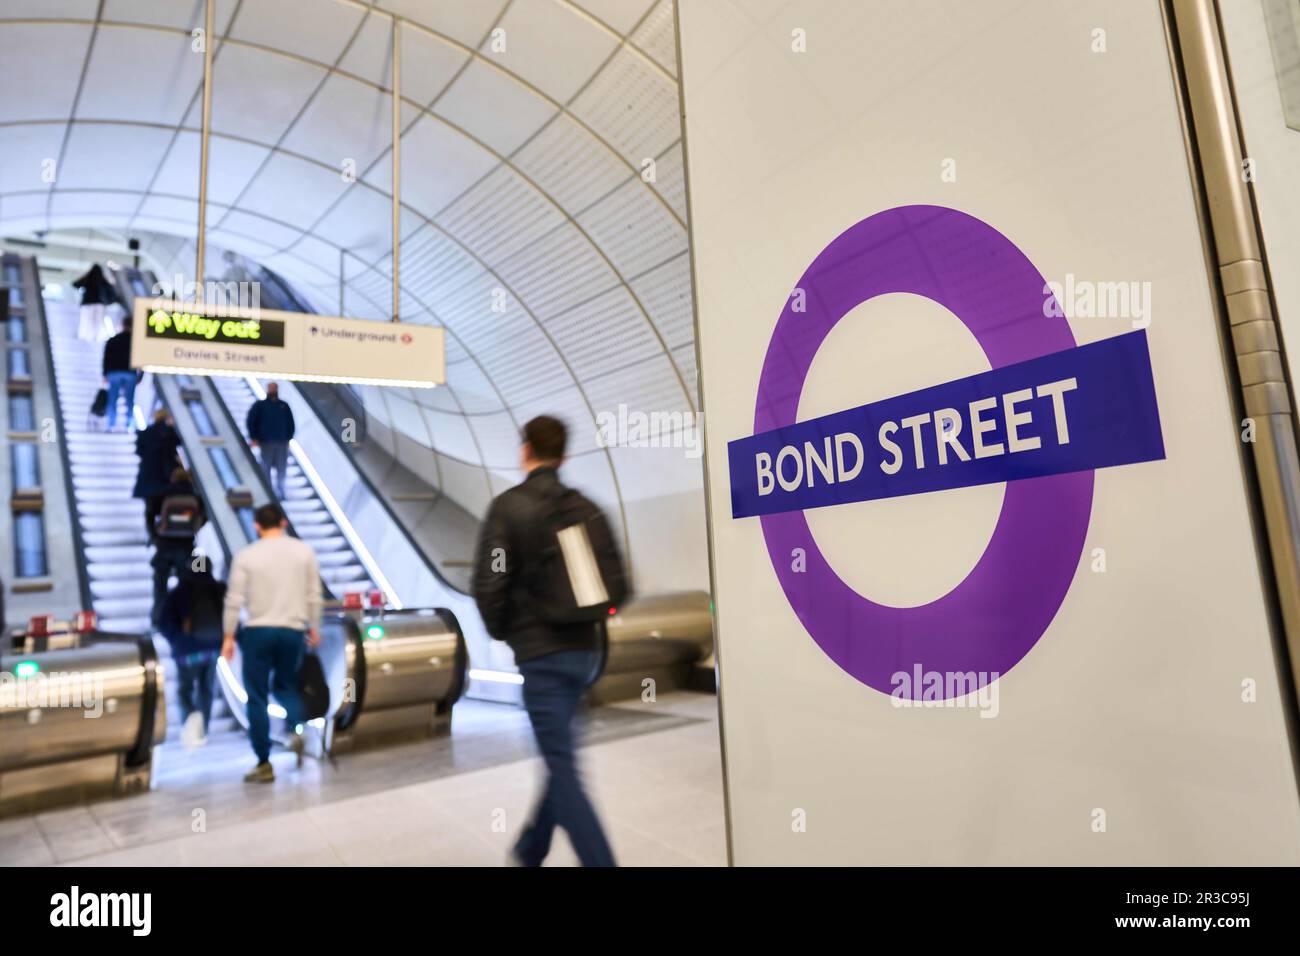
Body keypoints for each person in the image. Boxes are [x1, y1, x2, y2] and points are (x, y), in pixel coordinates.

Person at [472, 415, 629, 868]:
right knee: (559, 756)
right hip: (588, 653)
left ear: (525, 451)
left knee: (564, 770)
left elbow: (489, 583)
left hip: (542, 656)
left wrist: (507, 630)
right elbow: (619, 584)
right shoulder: (588, 508)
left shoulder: (508, 507)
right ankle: (530, 850)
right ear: (565, 454)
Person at [221, 502, 321, 783]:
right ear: (284, 522)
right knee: (287, 685)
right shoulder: (304, 552)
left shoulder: (247, 556)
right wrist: (314, 626)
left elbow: (234, 600)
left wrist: (228, 636)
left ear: (257, 526)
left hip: (258, 631)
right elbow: (313, 593)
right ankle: (296, 729)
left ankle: (263, 762)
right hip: (292, 631)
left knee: (257, 696)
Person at [158, 553, 226, 747]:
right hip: (212, 649)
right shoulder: (218, 590)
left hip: (186, 652)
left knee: (184, 690)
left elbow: (164, 622)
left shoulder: (180, 591)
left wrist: (178, 641)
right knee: (206, 689)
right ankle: (203, 729)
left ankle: (189, 723)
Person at [150, 468, 200, 629]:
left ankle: (158, 620)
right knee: (185, 585)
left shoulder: (163, 494)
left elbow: (150, 513)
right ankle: (182, 619)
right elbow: (202, 519)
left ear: (173, 479)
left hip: (165, 545)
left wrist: (154, 534)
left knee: (160, 584)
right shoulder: (196, 497)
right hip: (186, 545)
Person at [133, 411, 182, 540]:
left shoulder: (145, 432)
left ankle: (153, 535)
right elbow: (178, 444)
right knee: (164, 506)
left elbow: (138, 451)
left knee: (150, 508)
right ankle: (163, 532)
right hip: (165, 476)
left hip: (148, 474)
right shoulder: (170, 433)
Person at [245, 383, 294, 498]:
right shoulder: (260, 406)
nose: (273, 390)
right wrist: (254, 437)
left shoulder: (284, 405)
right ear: (268, 389)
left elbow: (291, 423)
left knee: (282, 469)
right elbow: (251, 421)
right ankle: (268, 492)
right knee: (265, 468)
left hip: (281, 442)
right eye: (271, 388)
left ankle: (281, 491)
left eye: (275, 388)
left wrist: (289, 437)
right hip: (266, 442)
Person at [101, 316, 135, 431]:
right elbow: (142, 357)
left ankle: (111, 424)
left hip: (114, 373)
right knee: (129, 399)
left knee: (113, 399)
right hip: (130, 373)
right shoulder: (136, 341)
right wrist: (141, 375)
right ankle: (129, 424)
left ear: (122, 325)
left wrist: (104, 374)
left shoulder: (113, 340)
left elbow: (106, 358)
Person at [73, 263, 117, 342]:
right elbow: (111, 290)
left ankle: (84, 336)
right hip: (99, 304)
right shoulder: (103, 280)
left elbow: (75, 284)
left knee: (86, 320)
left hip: (87, 303)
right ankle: (96, 337)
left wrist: (85, 276)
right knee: (97, 322)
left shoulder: (87, 279)